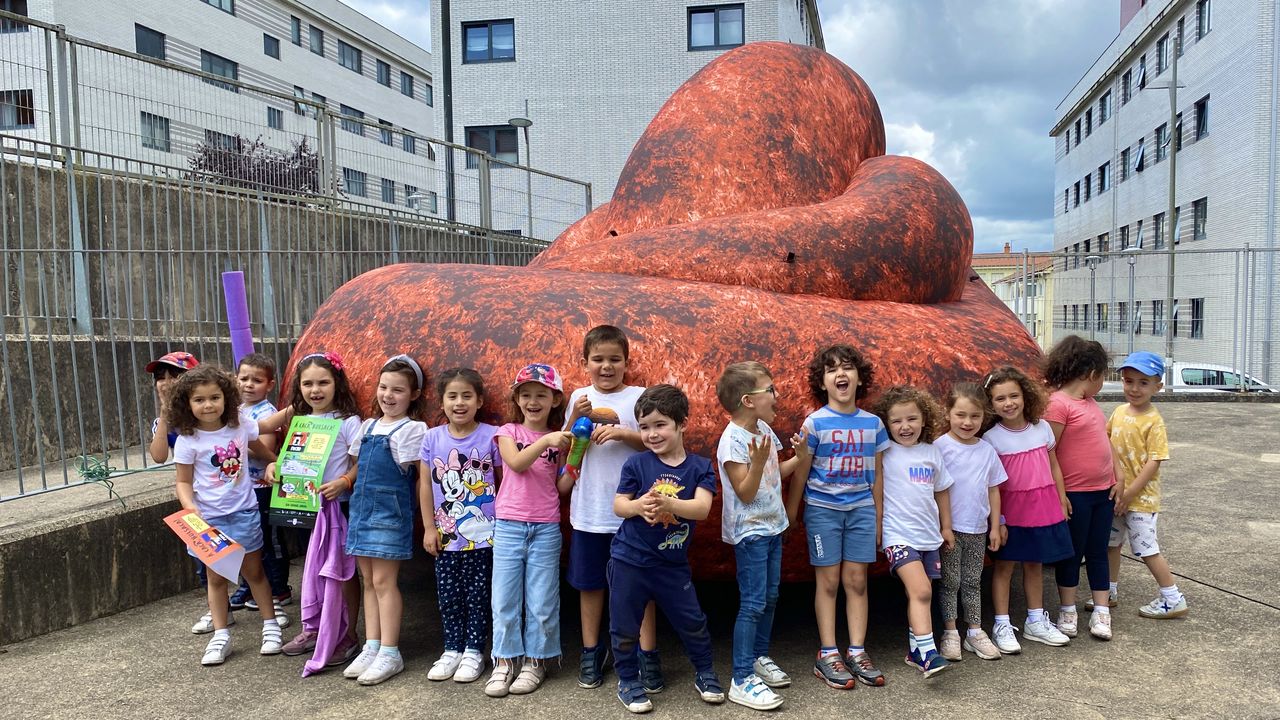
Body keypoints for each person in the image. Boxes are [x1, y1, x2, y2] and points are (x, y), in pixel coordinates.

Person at [609, 384, 725, 713]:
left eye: (660, 425)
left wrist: (668, 503)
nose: (652, 434)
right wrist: (639, 507)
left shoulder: (700, 467)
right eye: (644, 427)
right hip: (629, 559)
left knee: (693, 621)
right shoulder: (636, 465)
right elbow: (619, 505)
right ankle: (628, 680)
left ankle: (705, 673)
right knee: (624, 625)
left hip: (672, 565)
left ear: (682, 424)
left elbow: (701, 509)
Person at [559, 326, 658, 691]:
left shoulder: (639, 397)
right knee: (590, 585)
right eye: (598, 359)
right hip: (589, 510)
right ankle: (590, 650)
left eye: (614, 359)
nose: (606, 366)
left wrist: (621, 432)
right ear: (584, 363)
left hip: (633, 510)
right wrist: (574, 421)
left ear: (626, 362)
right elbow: (567, 449)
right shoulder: (579, 396)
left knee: (639, 587)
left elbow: (654, 444)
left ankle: (645, 654)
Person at [785, 345, 889, 690]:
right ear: (823, 382)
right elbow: (800, 471)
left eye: (847, 368)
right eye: (831, 370)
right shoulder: (815, 422)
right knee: (828, 582)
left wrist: (878, 516)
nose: (840, 374)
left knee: (857, 581)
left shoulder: (873, 424)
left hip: (861, 511)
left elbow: (877, 474)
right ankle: (828, 653)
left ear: (860, 378)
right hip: (822, 511)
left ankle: (857, 651)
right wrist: (792, 511)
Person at [167, 364, 281, 665]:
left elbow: (265, 432)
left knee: (254, 572)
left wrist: (279, 459)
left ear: (226, 397)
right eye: (199, 399)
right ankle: (221, 634)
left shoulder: (239, 424)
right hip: (208, 520)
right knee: (216, 579)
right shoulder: (187, 441)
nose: (208, 405)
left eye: (215, 397)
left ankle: (270, 626)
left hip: (243, 512)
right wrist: (191, 508)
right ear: (187, 404)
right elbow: (182, 481)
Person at [260, 352, 364, 667]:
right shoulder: (299, 420)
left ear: (337, 384)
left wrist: (345, 481)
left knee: (343, 572)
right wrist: (273, 464)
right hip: (303, 506)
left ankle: (347, 635)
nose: (315, 389)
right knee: (312, 569)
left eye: (323, 382)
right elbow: (266, 436)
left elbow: (361, 462)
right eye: (307, 383)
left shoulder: (348, 421)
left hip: (338, 507)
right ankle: (316, 628)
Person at [715, 361, 802, 711]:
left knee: (770, 596)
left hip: (773, 526)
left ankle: (758, 658)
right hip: (750, 532)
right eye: (771, 389)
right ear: (749, 400)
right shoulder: (732, 441)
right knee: (752, 604)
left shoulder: (764, 428)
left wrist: (800, 458)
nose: (776, 395)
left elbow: (773, 473)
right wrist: (757, 461)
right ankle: (740, 678)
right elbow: (746, 492)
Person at [485, 364, 574, 698]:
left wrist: (576, 460)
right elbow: (517, 463)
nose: (533, 401)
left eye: (541, 394)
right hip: (508, 525)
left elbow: (562, 486)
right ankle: (504, 660)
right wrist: (547, 441)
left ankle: (536, 660)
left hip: (546, 526)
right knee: (505, 598)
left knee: (542, 599)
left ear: (555, 399)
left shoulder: (560, 441)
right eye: (526, 394)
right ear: (517, 399)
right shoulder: (507, 432)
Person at [341, 355, 429, 685]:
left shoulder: (414, 429)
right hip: (362, 510)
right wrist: (343, 483)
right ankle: (372, 645)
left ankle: (391, 652)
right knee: (367, 580)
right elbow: (356, 467)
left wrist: (426, 520)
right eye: (383, 387)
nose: (388, 396)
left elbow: (421, 477)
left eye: (398, 390)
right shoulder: (367, 425)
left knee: (384, 582)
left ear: (414, 394)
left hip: (391, 513)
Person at [982, 366, 1074, 654]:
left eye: (1014, 396)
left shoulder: (1042, 428)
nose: (1008, 403)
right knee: (1004, 567)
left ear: (1025, 396)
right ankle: (1001, 623)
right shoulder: (991, 438)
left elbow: (1054, 465)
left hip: (1043, 509)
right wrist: (998, 520)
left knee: (1035, 563)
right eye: (1000, 399)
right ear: (991, 404)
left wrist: (1061, 498)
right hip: (1011, 512)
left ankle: (1036, 620)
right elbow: (989, 485)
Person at [419, 367, 501, 684]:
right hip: (446, 536)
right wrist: (428, 527)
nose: (459, 402)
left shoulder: (491, 435)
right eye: (452, 396)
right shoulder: (432, 438)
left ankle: (474, 651)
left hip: (485, 537)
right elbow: (425, 485)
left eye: (467, 395)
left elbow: (502, 480)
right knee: (449, 595)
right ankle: (452, 649)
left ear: (479, 400)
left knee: (478, 595)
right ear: (442, 402)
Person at [872, 386, 955, 678]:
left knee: (921, 594)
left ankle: (914, 651)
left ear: (924, 419)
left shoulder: (932, 452)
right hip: (898, 536)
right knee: (920, 590)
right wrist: (878, 527)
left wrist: (946, 526)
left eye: (911, 419)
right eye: (896, 421)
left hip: (929, 537)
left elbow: (942, 490)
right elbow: (877, 491)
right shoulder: (884, 453)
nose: (905, 426)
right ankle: (929, 654)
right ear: (886, 424)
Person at [1042, 336, 1118, 641]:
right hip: (1075, 495)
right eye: (1102, 376)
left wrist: (1119, 476)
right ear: (1090, 373)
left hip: (1104, 491)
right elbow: (1049, 452)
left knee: (1098, 551)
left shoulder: (1091, 403)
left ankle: (1102, 611)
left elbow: (1105, 443)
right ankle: (1068, 609)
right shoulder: (1058, 404)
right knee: (1071, 554)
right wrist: (1059, 495)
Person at [1104, 351, 1188, 619]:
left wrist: (1128, 493)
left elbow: (1154, 461)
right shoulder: (1118, 412)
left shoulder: (1153, 421)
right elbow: (1106, 442)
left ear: (1158, 387)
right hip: (1117, 495)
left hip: (1140, 499)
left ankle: (1172, 597)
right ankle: (1108, 591)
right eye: (1129, 381)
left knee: (1147, 550)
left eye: (1143, 382)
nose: (1135, 388)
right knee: (1111, 544)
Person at [934, 382, 1007, 661]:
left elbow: (993, 488)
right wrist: (944, 526)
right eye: (960, 415)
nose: (967, 422)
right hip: (949, 530)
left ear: (984, 417)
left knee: (973, 581)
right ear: (948, 414)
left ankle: (975, 632)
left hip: (977, 529)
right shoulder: (940, 447)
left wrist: (995, 525)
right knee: (950, 582)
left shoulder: (986, 450)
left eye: (975, 416)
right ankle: (950, 632)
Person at [229, 354, 290, 626]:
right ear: (235, 379)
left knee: (268, 540)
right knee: (243, 542)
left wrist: (237, 444)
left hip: (263, 486)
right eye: (244, 378)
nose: (249, 385)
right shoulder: (233, 411)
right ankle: (248, 586)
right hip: (240, 490)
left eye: (257, 380)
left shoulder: (266, 413)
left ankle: (278, 588)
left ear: (270, 384)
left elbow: (262, 448)